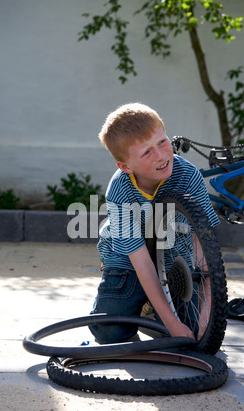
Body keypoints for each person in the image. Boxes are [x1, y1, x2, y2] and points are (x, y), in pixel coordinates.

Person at [89, 103, 219, 344]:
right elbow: (143, 265)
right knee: (109, 333)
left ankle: (151, 308)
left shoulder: (188, 176)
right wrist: (173, 326)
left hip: (171, 257)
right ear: (125, 166)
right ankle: (140, 304)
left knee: (193, 331)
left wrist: (205, 319)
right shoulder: (120, 190)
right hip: (128, 261)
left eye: (162, 141)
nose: (161, 155)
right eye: (146, 152)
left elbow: (207, 254)